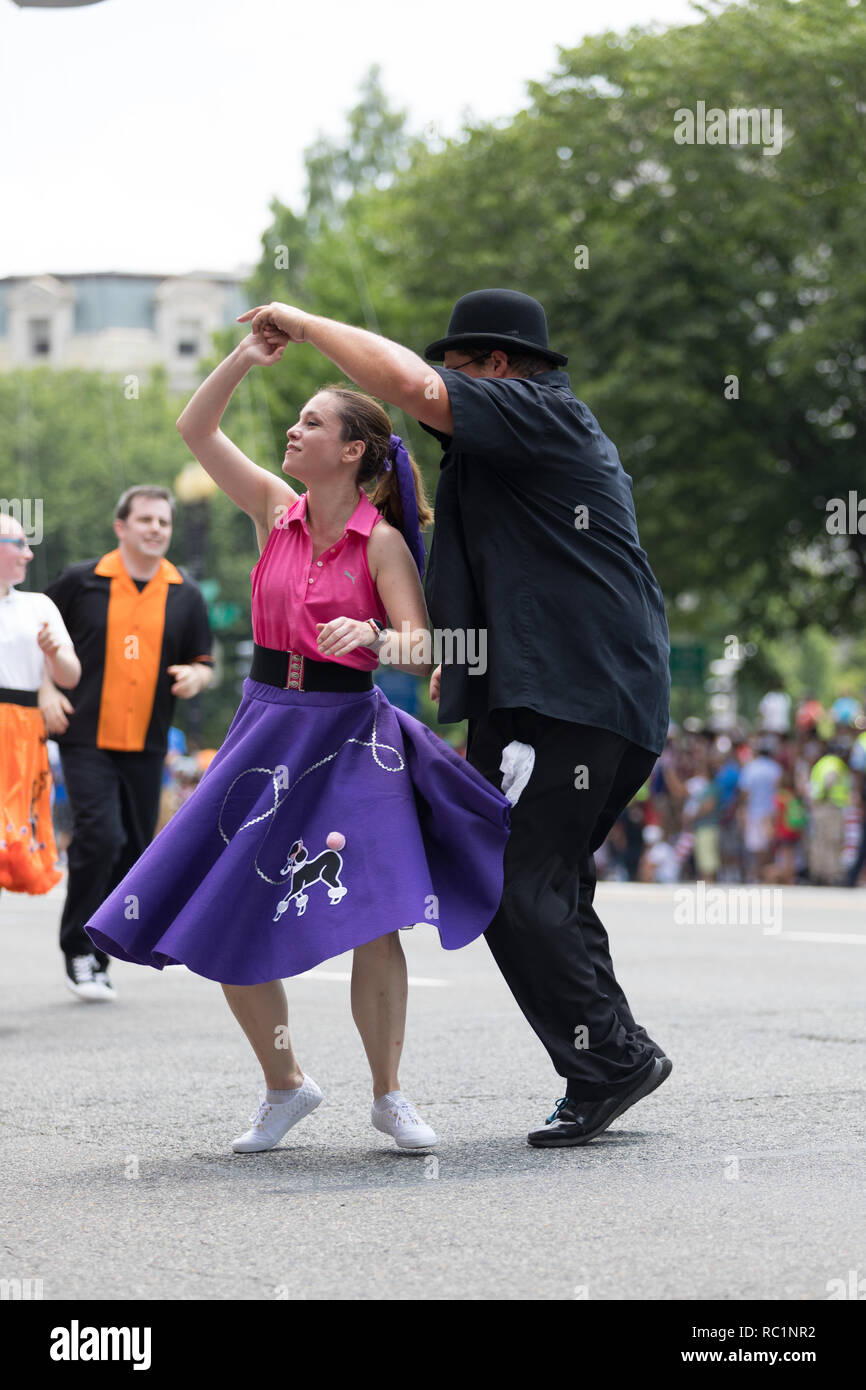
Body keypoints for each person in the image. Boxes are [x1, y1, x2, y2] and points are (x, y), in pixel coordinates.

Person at [243, 288, 672, 1149]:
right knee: (546, 879)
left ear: (498, 368)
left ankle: (611, 1063)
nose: (445, 383)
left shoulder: (544, 413)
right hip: (564, 691)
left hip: (570, 691)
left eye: (460, 368)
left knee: (508, 878)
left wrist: (307, 322)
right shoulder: (502, 453)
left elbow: (412, 387)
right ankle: (613, 1054)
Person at [82, 328, 511, 1155]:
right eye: (297, 423)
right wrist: (245, 360)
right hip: (264, 725)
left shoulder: (381, 544)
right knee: (226, 909)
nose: (294, 433)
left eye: (312, 424)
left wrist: (376, 638)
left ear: (353, 451)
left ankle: (390, 1095)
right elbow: (196, 431)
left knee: (376, 915)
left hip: (352, 739)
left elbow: (423, 644)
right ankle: (286, 1085)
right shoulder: (274, 510)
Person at [40, 487, 215, 1002]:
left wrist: (195, 678)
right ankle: (77, 950)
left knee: (133, 850)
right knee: (100, 837)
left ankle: (98, 951)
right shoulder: (80, 581)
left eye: (163, 521)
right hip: (84, 735)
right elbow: (31, 634)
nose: (156, 528)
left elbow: (204, 663)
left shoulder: (185, 592)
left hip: (147, 743)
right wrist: (46, 690)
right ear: (121, 527)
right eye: (145, 520)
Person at [0, 512, 80, 897]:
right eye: (19, 544)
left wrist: (52, 660)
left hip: (21, 738)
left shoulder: (38, 606)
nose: (28, 555)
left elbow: (71, 674)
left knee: (11, 845)